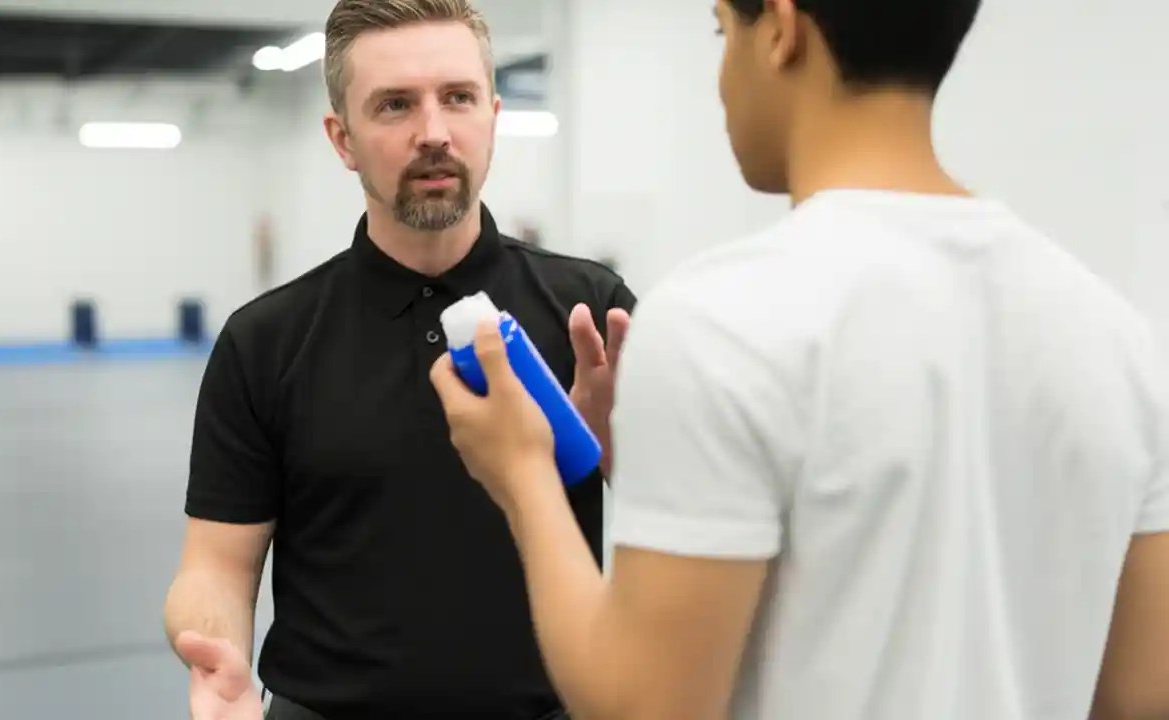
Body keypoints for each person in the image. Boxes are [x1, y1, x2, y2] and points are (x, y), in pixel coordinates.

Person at [430, 1, 1169, 719]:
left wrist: (524, 473)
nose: (721, 77)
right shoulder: (1112, 335)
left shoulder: (722, 321)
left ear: (781, 31)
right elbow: (1139, 695)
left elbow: (641, 706)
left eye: (723, 31)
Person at [161, 1, 635, 718]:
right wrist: (215, 649)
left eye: (458, 98)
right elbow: (215, 567)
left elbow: (694, 522)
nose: (435, 133)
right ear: (342, 138)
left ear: (493, 115)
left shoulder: (589, 314)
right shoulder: (265, 341)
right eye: (394, 106)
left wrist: (622, 451)